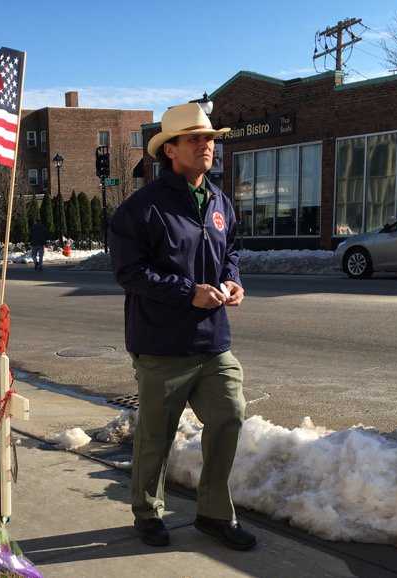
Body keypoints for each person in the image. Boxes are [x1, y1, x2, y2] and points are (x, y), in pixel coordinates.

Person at [109, 103, 254, 551]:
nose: (206, 145)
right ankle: (148, 512)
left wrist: (233, 279)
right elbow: (129, 272)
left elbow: (230, 248)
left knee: (229, 415)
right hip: (161, 345)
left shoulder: (218, 200)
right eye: (195, 139)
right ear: (169, 150)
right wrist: (186, 291)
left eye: (209, 138)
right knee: (156, 436)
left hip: (213, 340)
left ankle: (213, 513)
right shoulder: (142, 208)